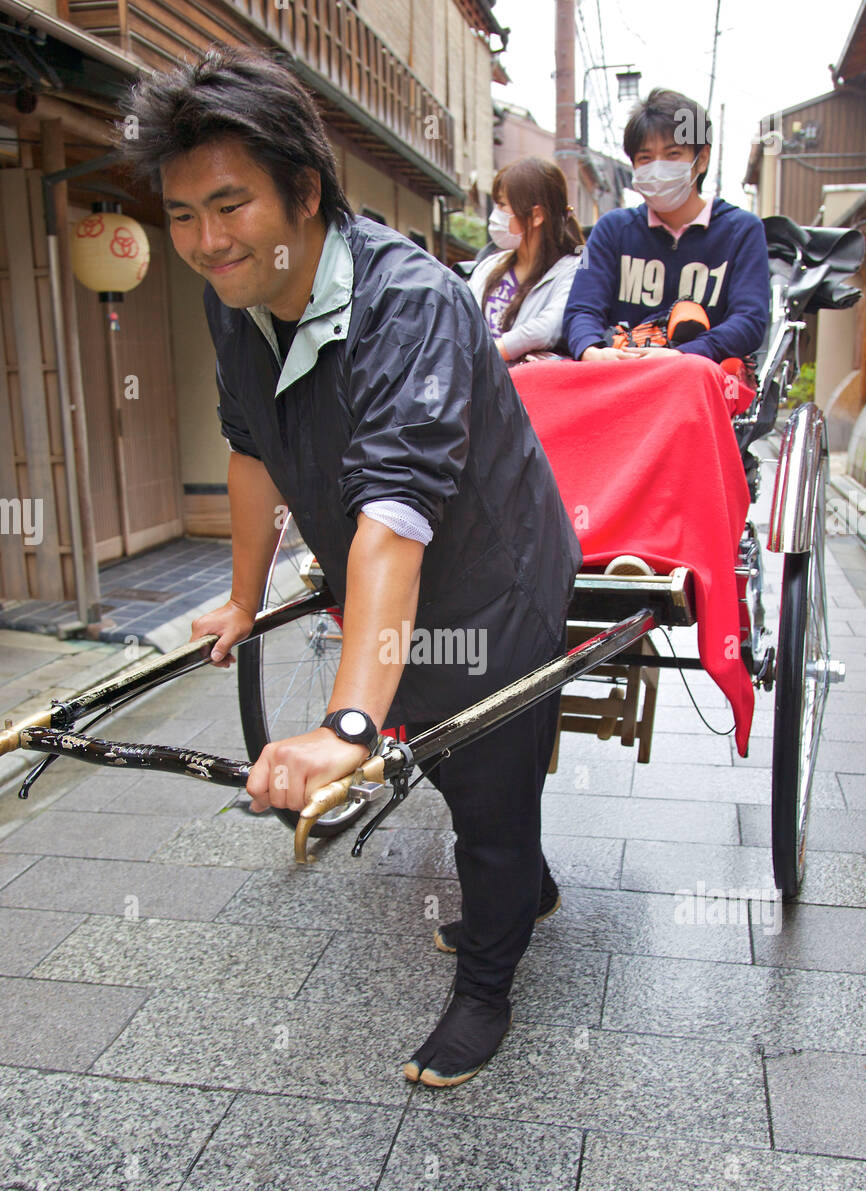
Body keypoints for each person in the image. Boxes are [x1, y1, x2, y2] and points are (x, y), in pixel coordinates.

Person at [119, 46, 581, 1089]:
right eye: (182, 215)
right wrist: (239, 599)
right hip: (391, 580)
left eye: (227, 206)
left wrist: (346, 725)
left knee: (482, 779)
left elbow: (392, 523)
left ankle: (487, 984)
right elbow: (248, 451)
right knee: (453, 761)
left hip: (490, 576)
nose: (203, 241)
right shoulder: (231, 297)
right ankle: (526, 884)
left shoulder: (409, 302)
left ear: (304, 191)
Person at [563, 87, 769, 366]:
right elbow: (580, 309)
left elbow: (749, 320)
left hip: (697, 375)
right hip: (619, 372)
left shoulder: (742, 231)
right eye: (645, 158)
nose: (657, 168)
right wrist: (592, 349)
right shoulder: (610, 230)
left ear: (702, 159)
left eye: (673, 154)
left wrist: (682, 355)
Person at [467, 157, 583, 364]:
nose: (495, 215)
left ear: (536, 215)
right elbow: (462, 315)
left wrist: (489, 354)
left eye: (503, 205)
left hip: (524, 389)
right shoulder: (489, 265)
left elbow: (547, 328)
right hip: (476, 385)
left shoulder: (573, 270)